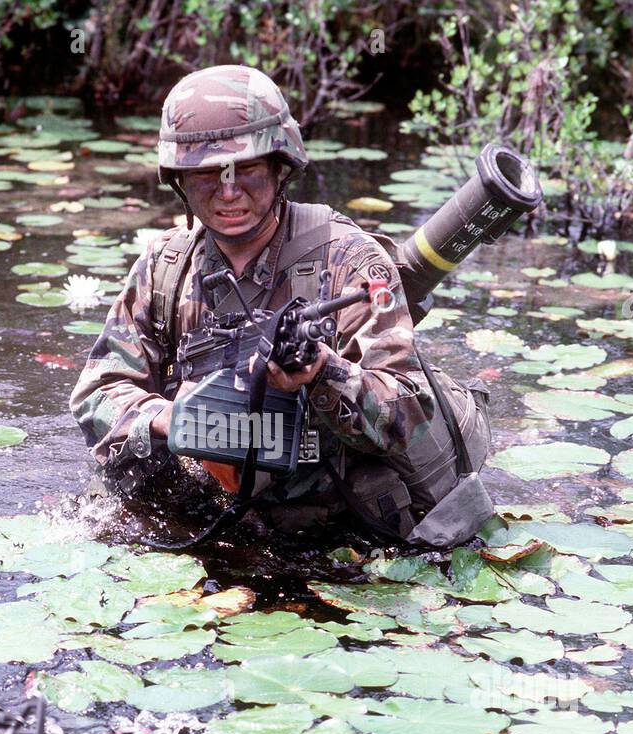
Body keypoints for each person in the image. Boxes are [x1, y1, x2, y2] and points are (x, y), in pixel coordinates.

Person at [70, 64, 492, 544]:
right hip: (215, 515)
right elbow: (97, 392)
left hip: (339, 528)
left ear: (279, 165)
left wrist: (325, 373)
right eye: (207, 174)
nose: (229, 191)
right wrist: (171, 418)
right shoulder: (165, 268)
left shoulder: (348, 261)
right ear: (180, 180)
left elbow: (410, 412)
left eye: (246, 169)